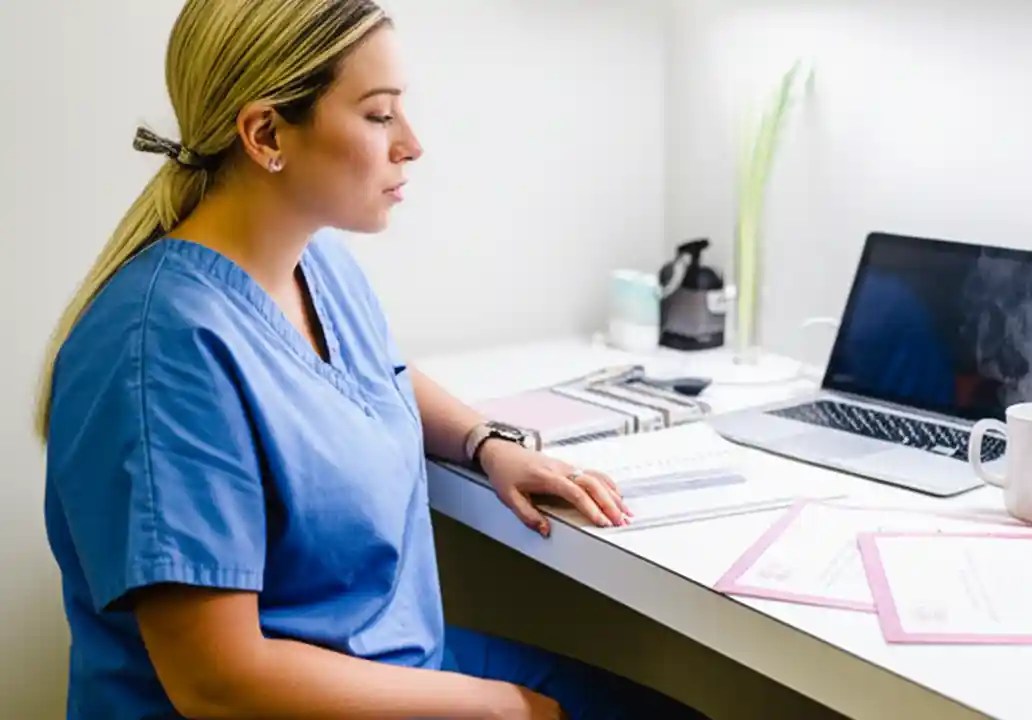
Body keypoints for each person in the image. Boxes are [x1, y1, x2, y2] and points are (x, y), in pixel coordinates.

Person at [36, 2, 707, 718]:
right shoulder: (163, 351)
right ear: (266, 134)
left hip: (392, 658)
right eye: (380, 115)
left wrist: (485, 443)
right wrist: (505, 710)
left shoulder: (313, 261)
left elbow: (362, 376)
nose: (412, 144)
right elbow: (218, 683)